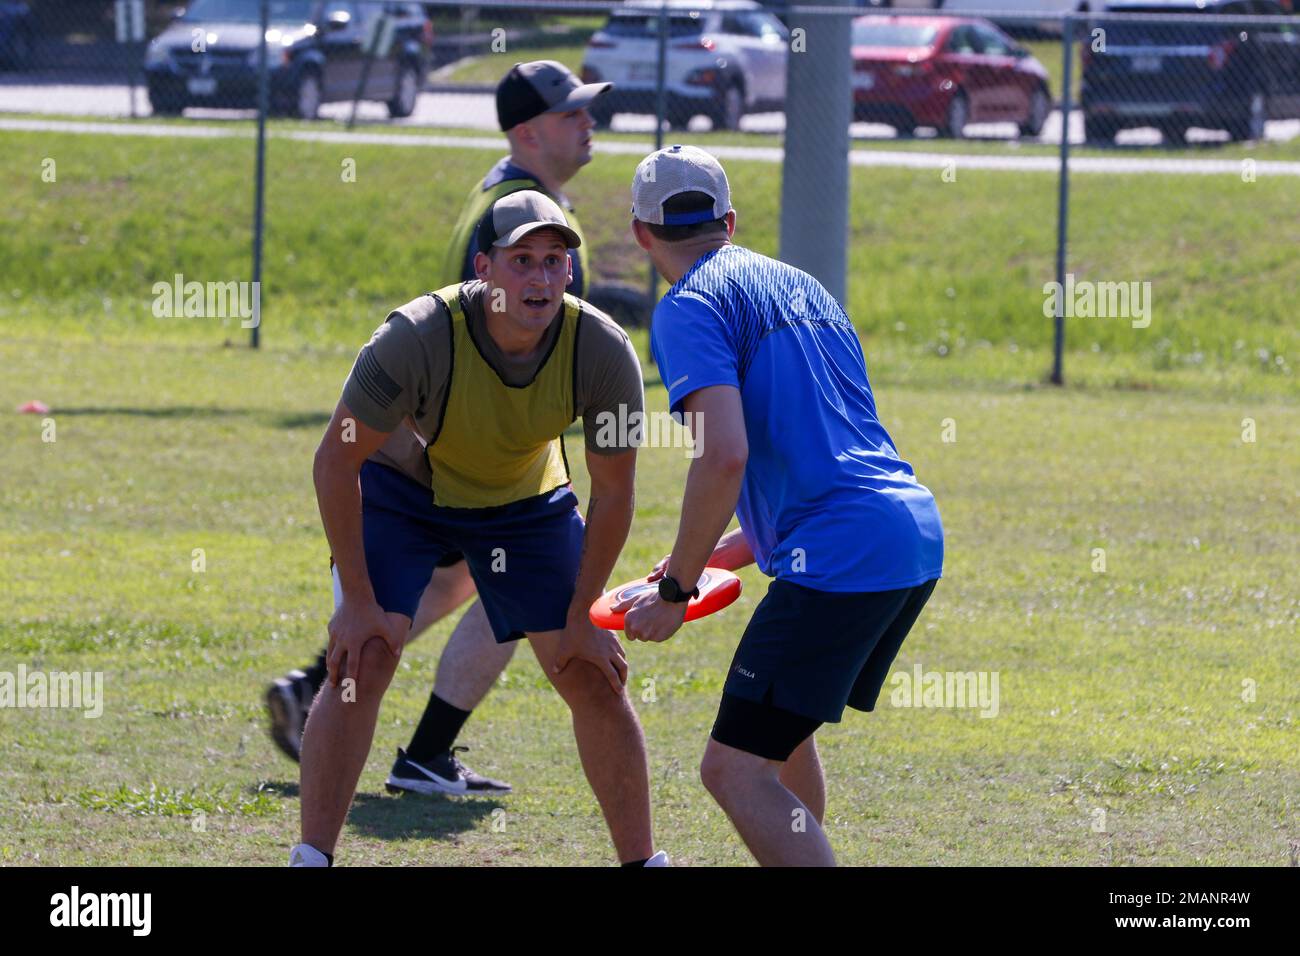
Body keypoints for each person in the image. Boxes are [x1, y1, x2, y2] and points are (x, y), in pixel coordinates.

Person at [266, 60, 613, 798]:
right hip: (467, 450)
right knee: (515, 594)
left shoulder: (501, 192)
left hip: (457, 441)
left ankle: (327, 693)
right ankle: (416, 747)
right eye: (572, 114)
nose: (588, 125)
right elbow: (486, 335)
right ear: (528, 130)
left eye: (588, 111)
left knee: (461, 587)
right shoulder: (521, 209)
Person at [290, 190, 664, 867]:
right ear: (483, 268)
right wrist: (356, 601)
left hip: (520, 502)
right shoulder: (414, 336)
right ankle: (310, 859)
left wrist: (582, 614)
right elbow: (334, 459)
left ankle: (644, 864)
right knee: (363, 658)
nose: (542, 278)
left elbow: (613, 494)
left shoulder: (603, 352)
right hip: (404, 491)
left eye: (555, 262)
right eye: (522, 261)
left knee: (589, 672)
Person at [617, 145, 944, 866]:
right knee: (778, 742)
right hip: (910, 530)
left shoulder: (689, 307)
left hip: (844, 548)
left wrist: (674, 593)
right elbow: (819, 448)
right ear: (729, 220)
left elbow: (725, 454)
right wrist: (717, 554)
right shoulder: (805, 287)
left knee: (731, 769)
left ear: (642, 234)